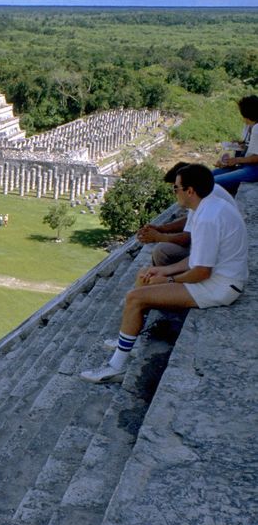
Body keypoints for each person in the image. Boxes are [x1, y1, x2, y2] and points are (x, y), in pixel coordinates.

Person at [81, 164, 249, 384]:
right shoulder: (207, 207)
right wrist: (163, 270)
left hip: (221, 287)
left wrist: (168, 279)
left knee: (135, 298)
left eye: (176, 188)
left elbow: (201, 271)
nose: (174, 192)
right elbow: (197, 258)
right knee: (145, 274)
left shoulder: (208, 217)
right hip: (217, 278)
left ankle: (115, 366)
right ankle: (132, 338)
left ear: (190, 191)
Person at [137, 162, 238, 267]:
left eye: (176, 188)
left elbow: (186, 239)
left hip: (219, 257)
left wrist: (158, 237)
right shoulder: (202, 192)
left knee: (161, 251)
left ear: (189, 189)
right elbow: (189, 222)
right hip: (218, 249)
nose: (174, 193)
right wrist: (161, 228)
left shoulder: (205, 200)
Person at [211, 95, 258, 195]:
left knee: (212, 182)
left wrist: (236, 160)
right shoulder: (251, 126)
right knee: (210, 175)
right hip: (246, 165)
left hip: (254, 169)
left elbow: (256, 157)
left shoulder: (256, 128)